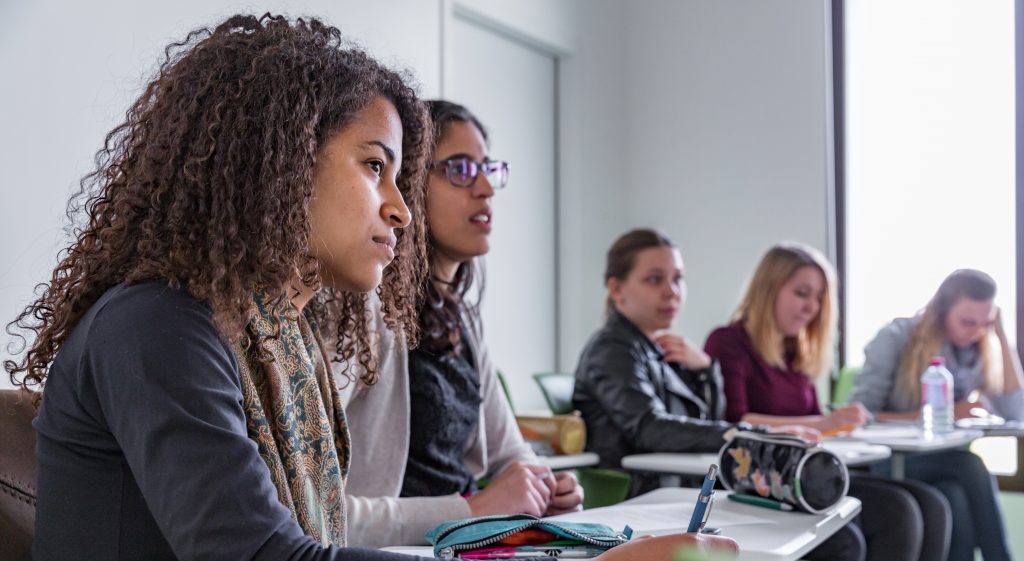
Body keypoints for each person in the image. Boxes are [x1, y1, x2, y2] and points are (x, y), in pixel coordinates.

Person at [5, 15, 735, 561]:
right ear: (280, 163)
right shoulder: (158, 324)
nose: (402, 207)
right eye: (373, 166)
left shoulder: (279, 340)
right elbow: (266, 555)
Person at [342, 100, 584, 547]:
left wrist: (543, 487)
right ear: (408, 182)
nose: (485, 189)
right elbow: (316, 512)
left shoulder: (462, 317)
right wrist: (472, 510)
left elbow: (512, 454)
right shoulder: (359, 308)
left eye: (487, 169)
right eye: (459, 169)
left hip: (460, 544)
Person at [573, 230, 864, 561]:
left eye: (678, 279)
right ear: (616, 289)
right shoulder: (612, 349)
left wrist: (707, 371)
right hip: (643, 503)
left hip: (685, 492)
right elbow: (651, 428)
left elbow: (706, 419)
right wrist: (744, 433)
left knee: (844, 534)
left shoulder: (660, 350)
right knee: (842, 541)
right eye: (655, 279)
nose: (672, 291)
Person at [704, 242, 953, 561]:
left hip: (808, 473)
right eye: (802, 293)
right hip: (766, 480)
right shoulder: (728, 342)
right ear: (768, 289)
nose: (812, 307)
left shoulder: (795, 354)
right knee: (899, 511)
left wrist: (837, 425)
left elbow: (812, 425)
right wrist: (822, 423)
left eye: (818, 297)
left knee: (933, 505)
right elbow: (734, 421)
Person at [850, 268, 1019, 561]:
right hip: (889, 461)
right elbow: (860, 415)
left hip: (942, 466)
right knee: (971, 467)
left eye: (985, 323)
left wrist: (1001, 335)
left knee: (953, 498)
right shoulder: (895, 338)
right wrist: (947, 412)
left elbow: (1015, 412)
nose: (976, 331)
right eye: (968, 321)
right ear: (942, 310)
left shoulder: (974, 352)